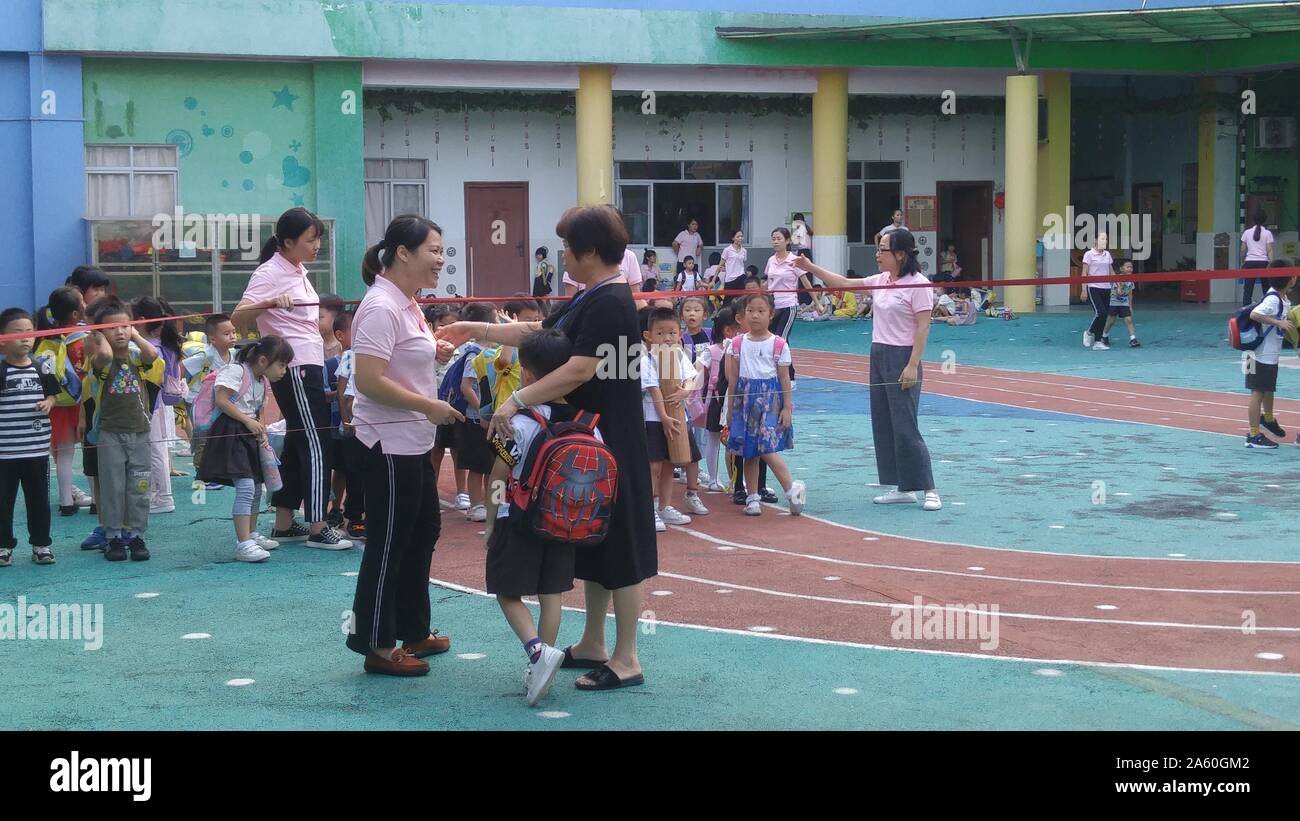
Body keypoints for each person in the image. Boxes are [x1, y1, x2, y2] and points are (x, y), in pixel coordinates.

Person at [435, 204, 656, 691]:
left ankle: (627, 657)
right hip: (587, 435)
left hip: (610, 438)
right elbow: (541, 337)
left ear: (590, 251)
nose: (563, 257)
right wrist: (478, 330)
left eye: (568, 248)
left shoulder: (611, 302)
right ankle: (595, 642)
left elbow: (579, 367)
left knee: (621, 546)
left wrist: (514, 400)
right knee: (595, 540)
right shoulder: (592, 296)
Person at [346, 215, 464, 676]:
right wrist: (428, 405)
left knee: (421, 534)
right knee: (390, 541)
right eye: (434, 250)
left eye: (441, 249)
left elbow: (398, 358)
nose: (440, 258)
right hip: (387, 443)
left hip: (413, 441)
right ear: (403, 253)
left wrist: (432, 350)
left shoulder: (408, 303)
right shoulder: (380, 306)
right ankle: (375, 644)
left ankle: (414, 629)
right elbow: (368, 381)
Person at [794, 229, 942, 511]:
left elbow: (923, 327)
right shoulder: (882, 280)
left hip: (903, 356)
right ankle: (902, 487)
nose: (877, 254)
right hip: (878, 353)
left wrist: (912, 365)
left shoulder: (919, 284)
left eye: (882, 250)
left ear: (900, 254)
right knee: (884, 423)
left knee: (906, 425)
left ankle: (929, 489)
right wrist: (810, 268)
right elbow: (843, 282)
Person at [232, 207, 350, 549]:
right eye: (310, 239)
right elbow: (238, 318)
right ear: (287, 241)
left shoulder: (298, 270)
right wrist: (269, 301)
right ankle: (317, 526)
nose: (316, 246)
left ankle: (284, 522)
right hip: (295, 366)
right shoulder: (269, 273)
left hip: (309, 362)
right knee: (315, 441)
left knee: (302, 441)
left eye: (318, 239)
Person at [485, 328, 585, 706]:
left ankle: (537, 652)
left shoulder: (521, 423)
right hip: (564, 520)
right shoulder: (587, 422)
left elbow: (498, 474)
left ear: (525, 375)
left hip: (519, 517)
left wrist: (493, 520)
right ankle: (545, 659)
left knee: (507, 591)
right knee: (551, 594)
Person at [82, 297, 164, 561]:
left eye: (124, 326)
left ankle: (137, 535)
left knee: (139, 485)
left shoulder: (137, 356)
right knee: (113, 486)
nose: (119, 332)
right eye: (112, 328)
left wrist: (136, 334)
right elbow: (105, 353)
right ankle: (113, 536)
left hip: (139, 430)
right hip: (110, 432)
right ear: (100, 334)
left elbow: (153, 354)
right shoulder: (99, 359)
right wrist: (98, 336)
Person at [197, 336, 293, 562]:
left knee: (257, 486)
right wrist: (248, 421)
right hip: (231, 433)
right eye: (281, 365)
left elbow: (258, 409)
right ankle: (243, 544)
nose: (284, 371)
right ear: (262, 360)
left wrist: (261, 432)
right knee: (247, 486)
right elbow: (222, 399)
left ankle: (250, 534)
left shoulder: (261, 380)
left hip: (249, 434)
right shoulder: (236, 371)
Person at [724, 292, 806, 517]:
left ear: (771, 315)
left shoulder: (778, 344)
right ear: (742, 315)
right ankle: (752, 497)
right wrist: (730, 409)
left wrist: (787, 407)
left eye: (761, 311)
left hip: (770, 401)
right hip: (744, 400)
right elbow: (733, 378)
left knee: (766, 448)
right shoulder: (737, 343)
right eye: (750, 311)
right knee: (749, 451)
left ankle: (791, 489)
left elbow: (784, 378)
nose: (755, 316)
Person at [0, 308, 61, 567]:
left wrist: (49, 402)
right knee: (4, 503)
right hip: (5, 452)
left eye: (30, 332)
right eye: (18, 333)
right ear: (3, 339)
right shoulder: (2, 371)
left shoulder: (42, 367)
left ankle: (41, 544)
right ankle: (4, 546)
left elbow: (53, 394)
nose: (26, 338)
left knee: (39, 501)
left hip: (36, 450)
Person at [641, 306, 701, 531]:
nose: (667, 338)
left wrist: (686, 391)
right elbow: (654, 389)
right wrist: (664, 417)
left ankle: (664, 507)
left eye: (672, 333)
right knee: (654, 465)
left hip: (676, 418)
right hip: (653, 419)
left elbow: (692, 378)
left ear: (679, 335)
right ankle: (651, 508)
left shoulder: (678, 355)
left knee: (669, 464)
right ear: (648, 336)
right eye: (661, 333)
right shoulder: (646, 358)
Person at [36, 287, 94, 516]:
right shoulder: (83, 337)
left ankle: (66, 502)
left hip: (58, 402)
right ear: (75, 313)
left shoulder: (47, 337)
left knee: (64, 453)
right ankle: (97, 501)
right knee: (90, 451)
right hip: (82, 401)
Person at [130, 296, 184, 516]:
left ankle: (163, 497)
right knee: (156, 449)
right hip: (162, 405)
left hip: (154, 404)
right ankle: (156, 495)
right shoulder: (167, 345)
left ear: (141, 320)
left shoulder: (151, 348)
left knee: (155, 450)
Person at [183, 313, 238, 485]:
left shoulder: (234, 354)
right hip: (200, 404)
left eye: (234, 332)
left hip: (220, 404)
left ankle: (218, 471)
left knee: (221, 435)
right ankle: (202, 475)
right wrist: (176, 388)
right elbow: (180, 368)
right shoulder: (205, 356)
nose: (233, 336)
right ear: (213, 339)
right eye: (227, 333)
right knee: (203, 439)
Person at [1244, 267, 1296, 449]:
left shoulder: (1282, 298)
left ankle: (1268, 419)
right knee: (1257, 392)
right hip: (1256, 353)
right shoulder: (1273, 299)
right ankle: (1253, 435)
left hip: (1264, 353)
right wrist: (1278, 322)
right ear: (1290, 279)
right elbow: (1254, 314)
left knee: (1267, 389)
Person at [765, 228, 816, 384]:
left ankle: (790, 377)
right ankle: (783, 372)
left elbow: (806, 282)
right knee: (773, 339)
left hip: (789, 304)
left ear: (787, 241)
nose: (775, 241)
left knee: (781, 338)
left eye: (779, 238)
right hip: (774, 306)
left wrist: (817, 302)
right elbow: (768, 283)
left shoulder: (794, 260)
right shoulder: (770, 260)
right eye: (773, 238)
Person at [702, 307, 740, 493]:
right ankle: (713, 479)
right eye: (738, 328)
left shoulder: (741, 347)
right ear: (728, 330)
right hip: (717, 401)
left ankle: (734, 480)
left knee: (730, 441)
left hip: (731, 401)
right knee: (714, 439)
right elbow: (697, 371)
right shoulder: (713, 351)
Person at [1081, 233, 1114, 351]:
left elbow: (1111, 271)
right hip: (1093, 287)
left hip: (1106, 287)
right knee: (1100, 312)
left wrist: (1117, 284)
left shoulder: (1107, 255)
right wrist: (1084, 289)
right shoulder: (1089, 254)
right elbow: (1084, 272)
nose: (1104, 241)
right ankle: (1089, 332)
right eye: (1102, 239)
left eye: (1106, 239)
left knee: (1105, 314)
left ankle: (1098, 341)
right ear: (1095, 240)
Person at [1102, 260, 1141, 348]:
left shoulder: (1131, 281)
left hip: (1124, 303)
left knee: (1129, 320)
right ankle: (1104, 336)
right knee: (1111, 321)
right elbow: (1117, 292)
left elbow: (1130, 294)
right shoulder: (1116, 279)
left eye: (1131, 267)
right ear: (1121, 269)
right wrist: (1119, 287)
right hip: (1114, 303)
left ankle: (1133, 339)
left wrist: (1130, 306)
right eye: (1127, 267)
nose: (1130, 269)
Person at [1241, 209, 1274, 306]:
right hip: (1263, 263)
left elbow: (1243, 249)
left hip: (1250, 263)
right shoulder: (1267, 233)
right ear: (1264, 220)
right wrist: (1271, 263)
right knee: (1266, 288)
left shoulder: (1247, 232)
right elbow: (1270, 250)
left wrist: (1242, 261)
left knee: (1248, 289)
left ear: (1253, 219)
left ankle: (1245, 309)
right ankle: (1268, 307)